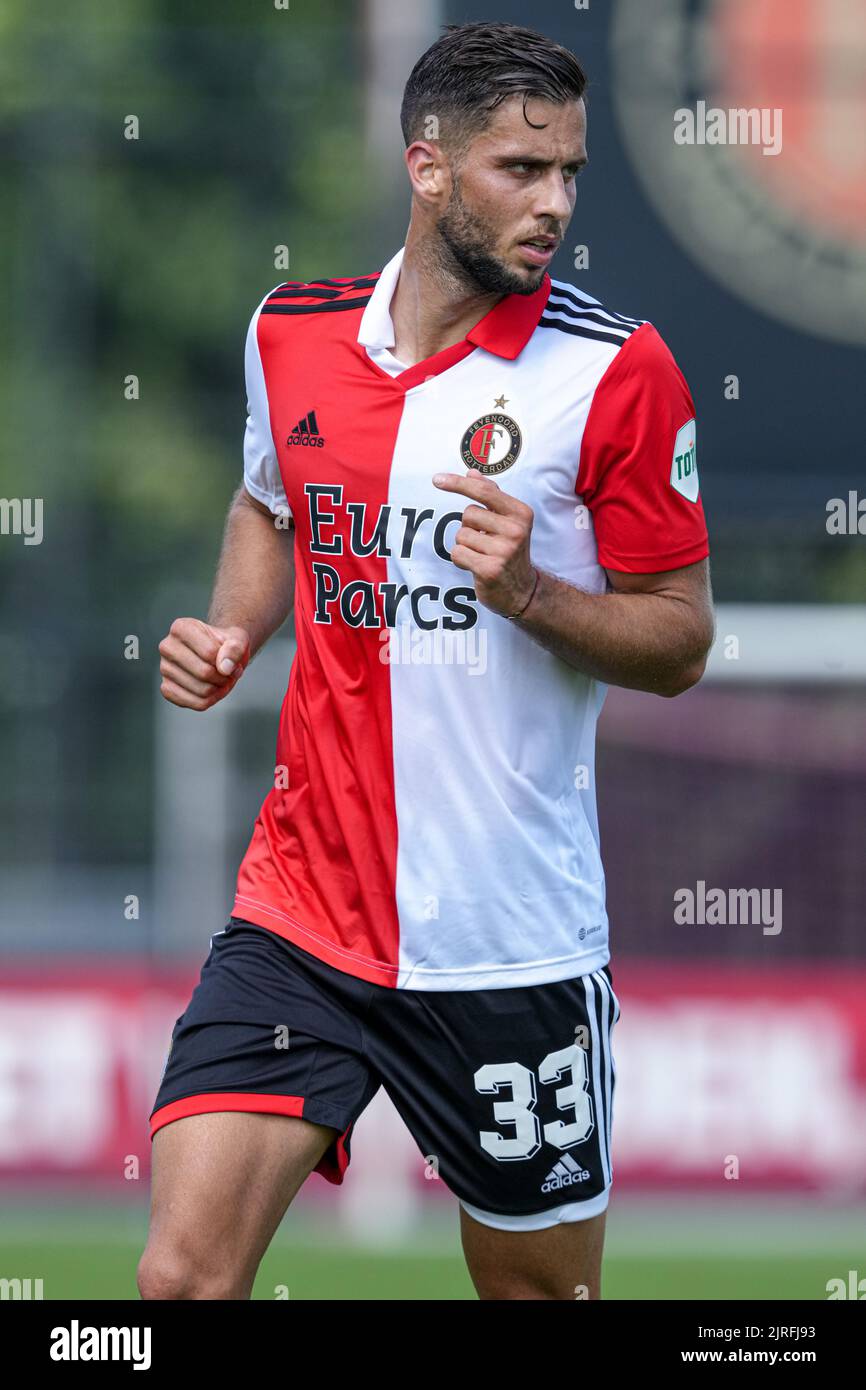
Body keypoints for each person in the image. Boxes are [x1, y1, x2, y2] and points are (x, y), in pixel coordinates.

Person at [139, 20, 714, 1302]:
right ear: (429, 167)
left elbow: (678, 641)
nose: (553, 201)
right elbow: (266, 503)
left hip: (509, 947)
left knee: (537, 1298)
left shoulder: (616, 372)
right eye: (521, 168)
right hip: (301, 917)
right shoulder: (288, 332)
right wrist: (239, 628)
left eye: (568, 171)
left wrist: (521, 589)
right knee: (182, 1279)